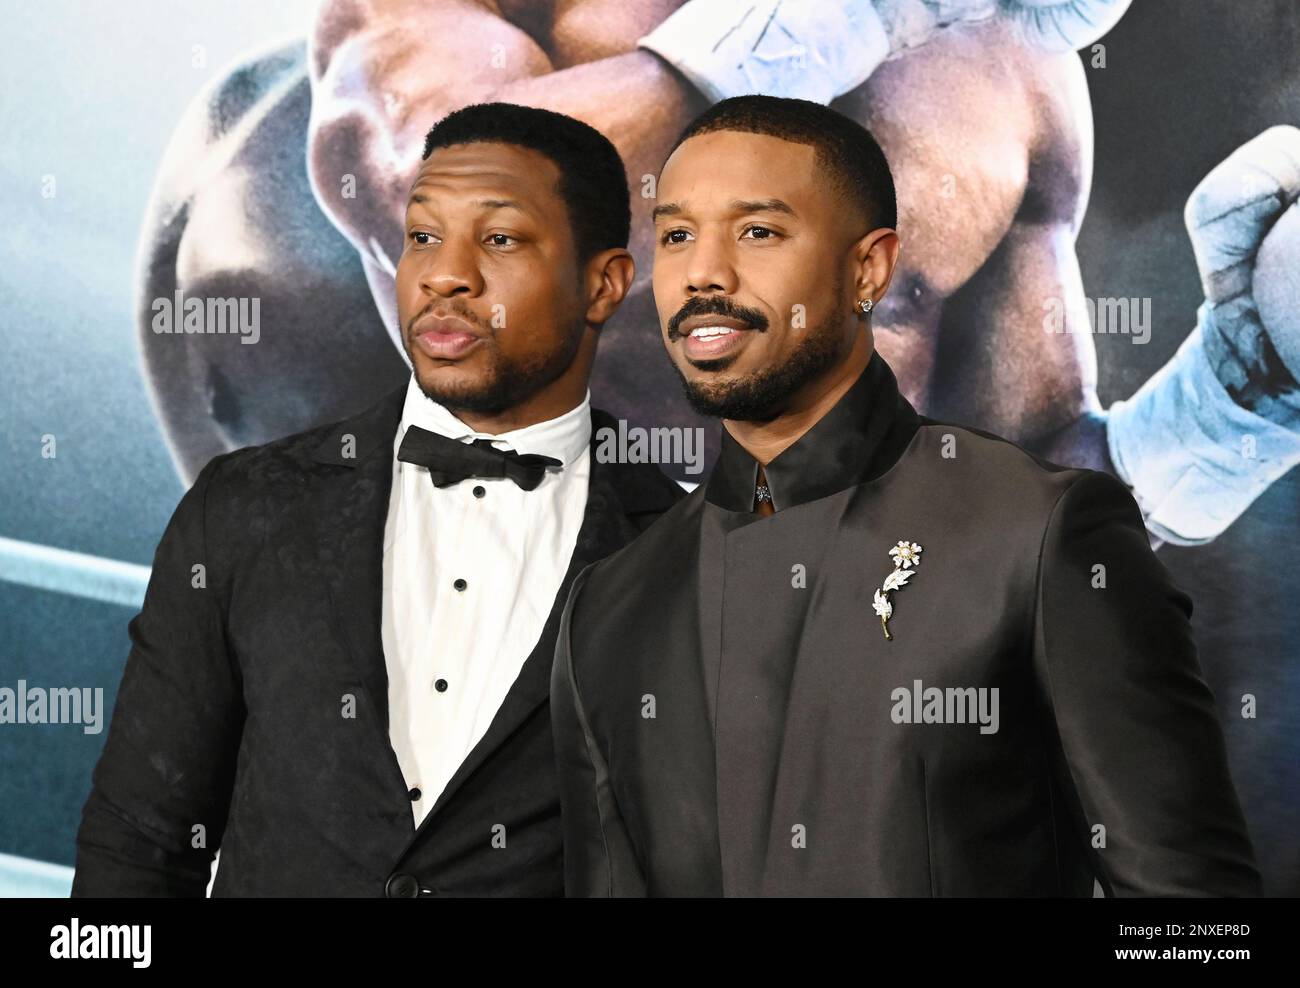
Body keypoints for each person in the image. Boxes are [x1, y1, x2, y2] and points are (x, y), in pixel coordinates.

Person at [550, 95, 1262, 897]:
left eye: (758, 230)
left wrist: (1223, 411)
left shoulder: (1047, 536)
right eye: (676, 233)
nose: (704, 271)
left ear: (870, 268)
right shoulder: (608, 611)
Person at [72, 103, 684, 897]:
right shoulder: (248, 509)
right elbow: (135, 848)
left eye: (498, 240)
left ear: (603, 285)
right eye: (422, 237)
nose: (444, 274)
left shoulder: (690, 561)